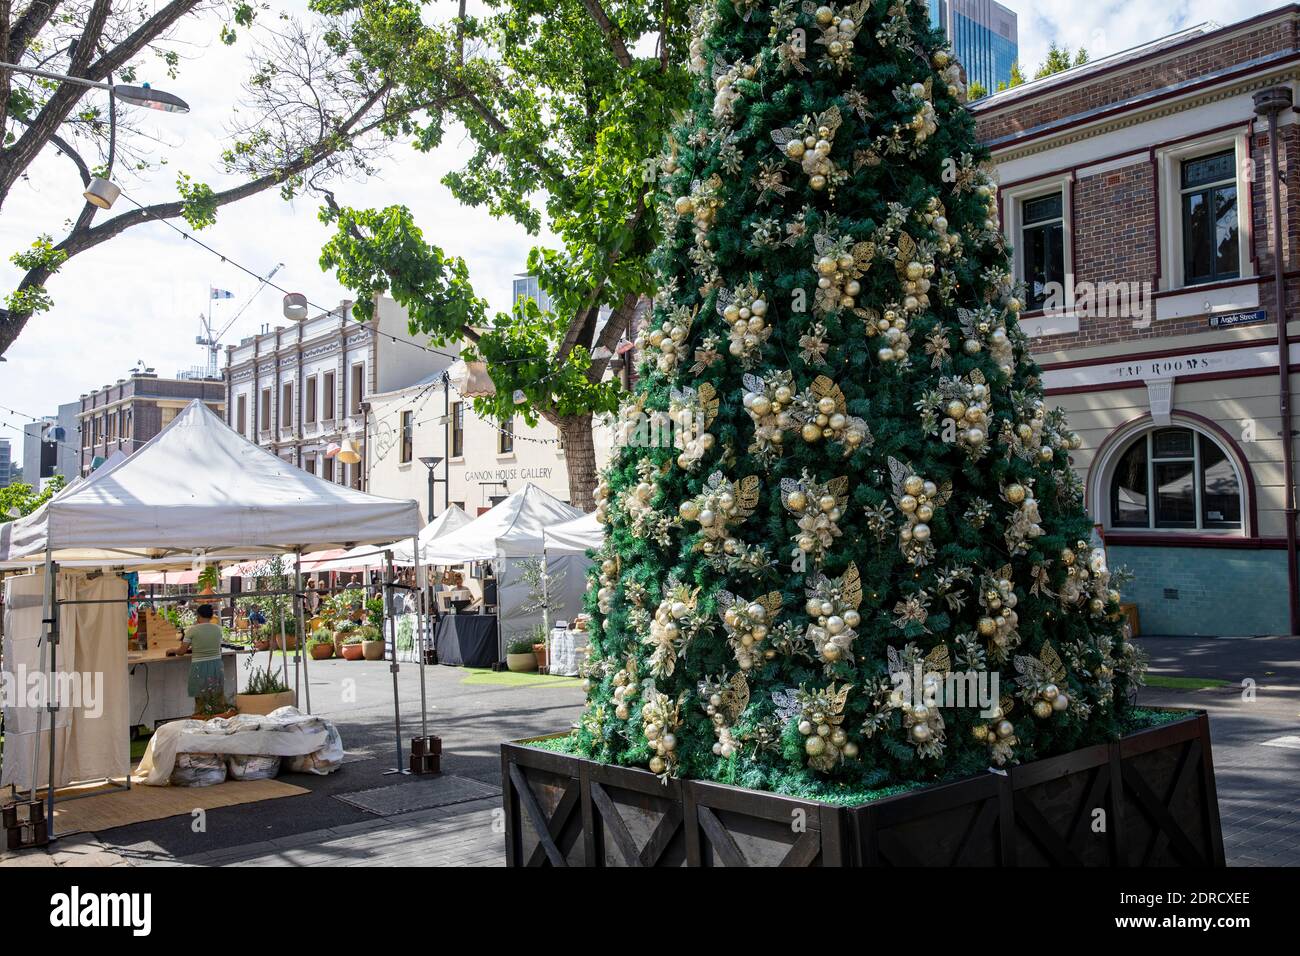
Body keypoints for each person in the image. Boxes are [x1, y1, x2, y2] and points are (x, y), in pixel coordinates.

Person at [169, 604, 225, 700]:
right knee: (216, 698)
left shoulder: (192, 630)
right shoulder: (218, 629)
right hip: (216, 665)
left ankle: (201, 715)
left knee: (201, 699)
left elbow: (182, 651)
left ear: (198, 615)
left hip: (200, 667)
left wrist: (171, 650)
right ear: (211, 616)